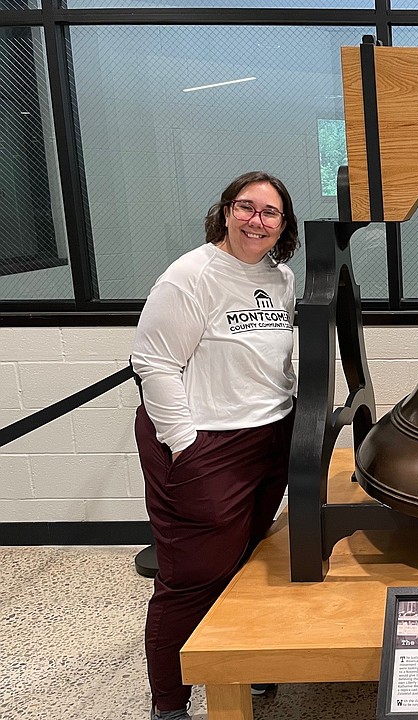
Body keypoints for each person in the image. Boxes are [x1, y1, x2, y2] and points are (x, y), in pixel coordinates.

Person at [131, 172, 299, 720]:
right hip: (206, 442)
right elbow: (154, 363)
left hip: (268, 438)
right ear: (226, 212)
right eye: (246, 207)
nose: (257, 219)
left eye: (269, 212)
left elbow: (274, 359)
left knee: (246, 562)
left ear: (282, 225)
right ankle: (170, 704)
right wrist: (183, 443)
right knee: (192, 576)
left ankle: (239, 668)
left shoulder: (283, 278)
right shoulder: (190, 276)